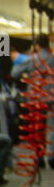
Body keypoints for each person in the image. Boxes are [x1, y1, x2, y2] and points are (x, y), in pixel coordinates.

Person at [12, 34, 54, 166]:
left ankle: (39, 158)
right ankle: (52, 157)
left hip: (36, 98)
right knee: (52, 127)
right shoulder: (52, 58)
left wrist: (28, 75)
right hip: (52, 96)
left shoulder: (32, 59)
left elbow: (14, 73)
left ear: (36, 45)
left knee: (38, 128)